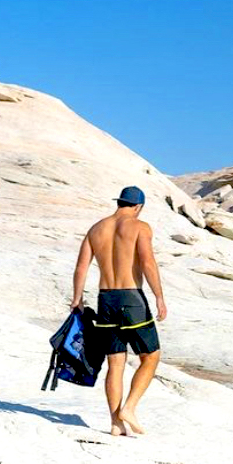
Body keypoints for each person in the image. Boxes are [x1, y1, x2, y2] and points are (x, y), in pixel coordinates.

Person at [70, 186, 168, 436]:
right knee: (150, 356)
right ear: (138, 207)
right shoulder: (140, 227)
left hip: (106, 300)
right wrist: (159, 297)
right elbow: (147, 262)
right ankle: (129, 408)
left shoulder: (96, 228)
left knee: (115, 364)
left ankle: (116, 423)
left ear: (120, 202)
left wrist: (77, 298)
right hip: (131, 298)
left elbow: (82, 267)